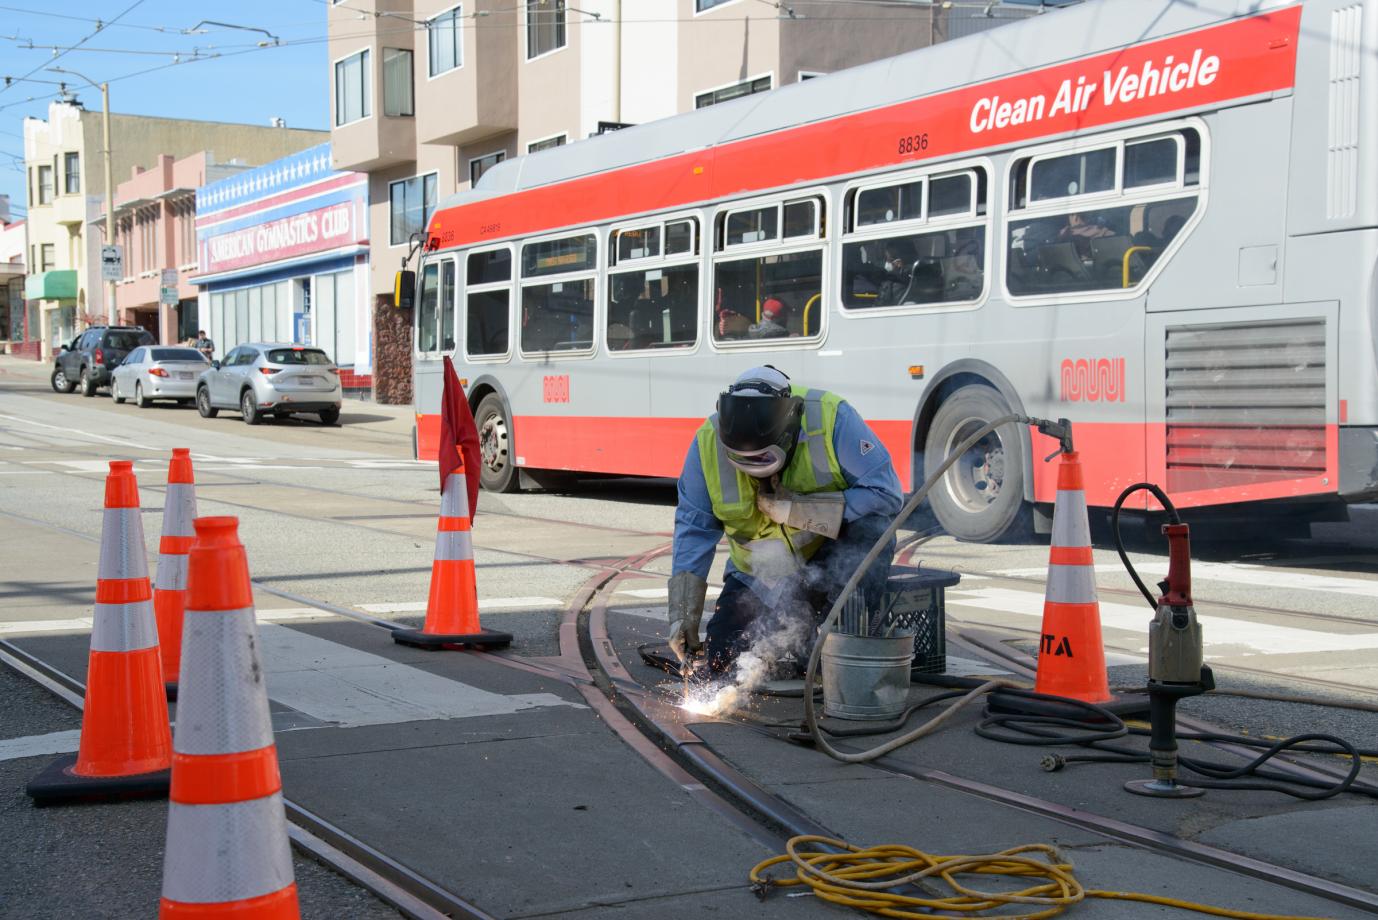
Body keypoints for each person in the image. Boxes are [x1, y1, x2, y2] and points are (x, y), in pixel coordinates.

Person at [667, 366, 903, 679]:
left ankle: (842, 647)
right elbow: (694, 529)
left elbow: (886, 494)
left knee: (873, 530)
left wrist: (798, 510)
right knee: (722, 662)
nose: (754, 472)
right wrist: (683, 615)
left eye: (763, 461)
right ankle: (800, 647)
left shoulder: (832, 419)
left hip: (826, 562)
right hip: (761, 574)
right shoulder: (706, 444)